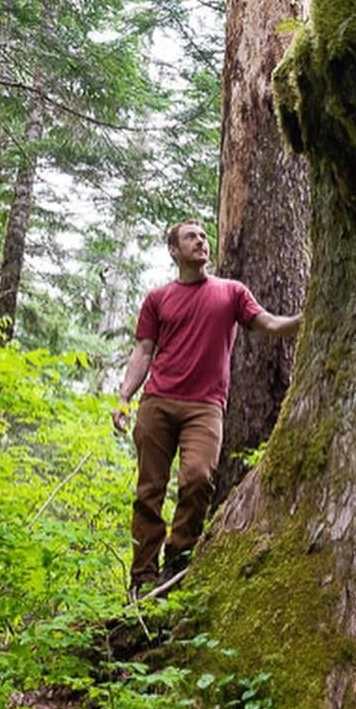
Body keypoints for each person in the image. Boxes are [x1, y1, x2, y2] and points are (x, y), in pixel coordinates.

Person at [113, 220, 300, 595]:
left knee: (198, 479)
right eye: (191, 237)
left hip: (205, 407)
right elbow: (143, 351)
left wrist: (303, 319)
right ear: (174, 250)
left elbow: (268, 323)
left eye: (203, 236)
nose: (201, 241)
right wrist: (124, 397)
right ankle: (142, 578)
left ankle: (177, 561)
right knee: (149, 491)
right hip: (157, 403)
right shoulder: (158, 298)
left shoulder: (231, 292)